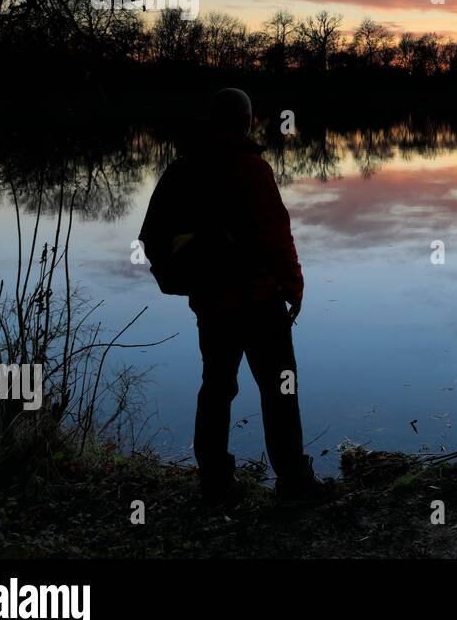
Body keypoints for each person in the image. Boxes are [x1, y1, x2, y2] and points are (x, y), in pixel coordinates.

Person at [140, 88, 328, 506]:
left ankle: (215, 483)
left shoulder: (183, 168)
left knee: (216, 389)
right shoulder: (251, 168)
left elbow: (151, 236)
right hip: (260, 302)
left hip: (212, 305)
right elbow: (277, 235)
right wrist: (294, 286)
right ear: (246, 122)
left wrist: (187, 274)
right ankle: (294, 482)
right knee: (280, 389)